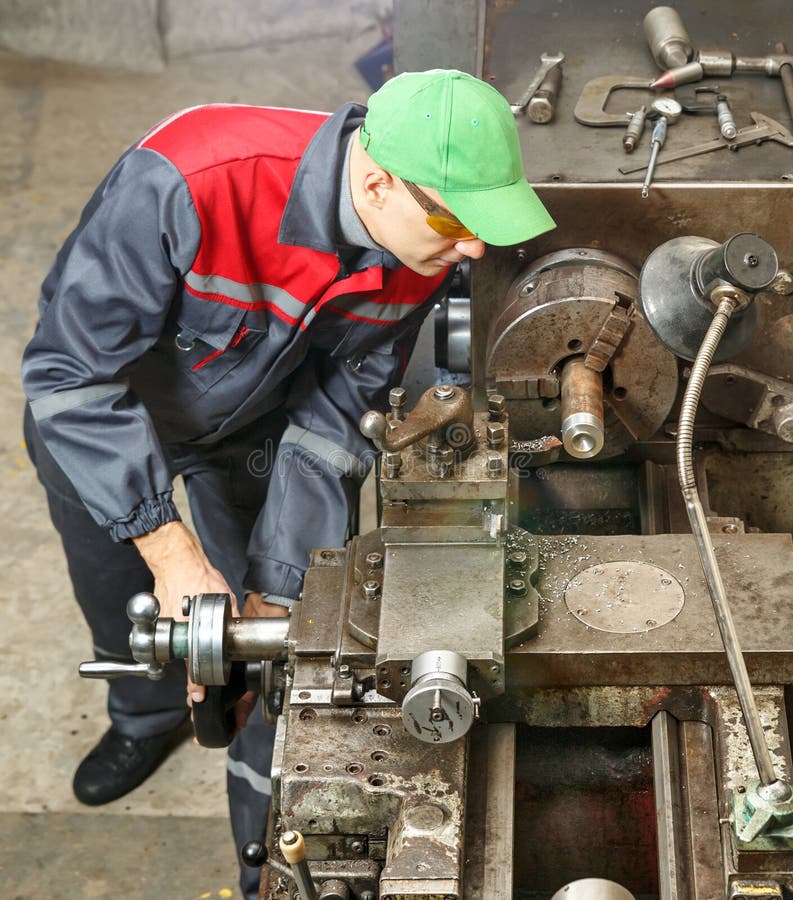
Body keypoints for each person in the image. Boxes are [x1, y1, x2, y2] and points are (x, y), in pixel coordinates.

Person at [21, 68, 555, 898]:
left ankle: (267, 852)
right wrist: (169, 552)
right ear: (376, 181)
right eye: (457, 220)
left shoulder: (410, 244)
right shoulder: (192, 180)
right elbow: (69, 378)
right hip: (102, 429)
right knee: (123, 599)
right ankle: (143, 718)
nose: (473, 251)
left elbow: (336, 413)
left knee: (277, 653)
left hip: (252, 434)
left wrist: (275, 590)